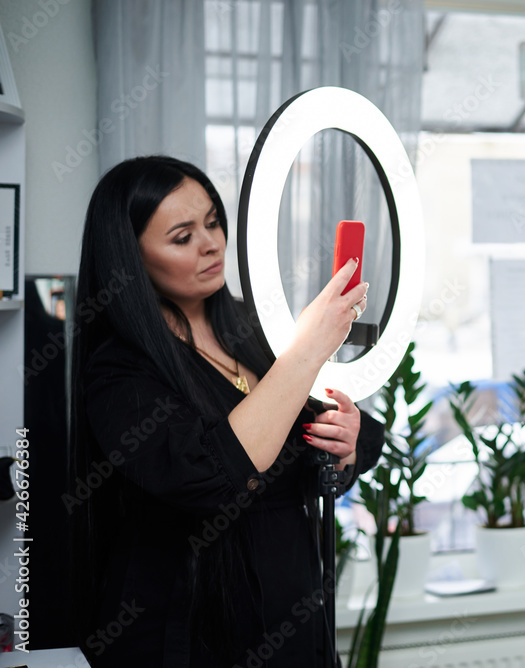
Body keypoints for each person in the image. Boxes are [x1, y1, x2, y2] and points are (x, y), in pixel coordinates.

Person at [70, 156, 382, 668]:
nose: (211, 243)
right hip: (190, 628)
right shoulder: (120, 372)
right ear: (131, 257)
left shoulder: (255, 331)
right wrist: (306, 352)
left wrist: (343, 441)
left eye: (213, 222)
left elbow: (313, 456)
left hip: (292, 613)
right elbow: (211, 477)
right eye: (181, 236)